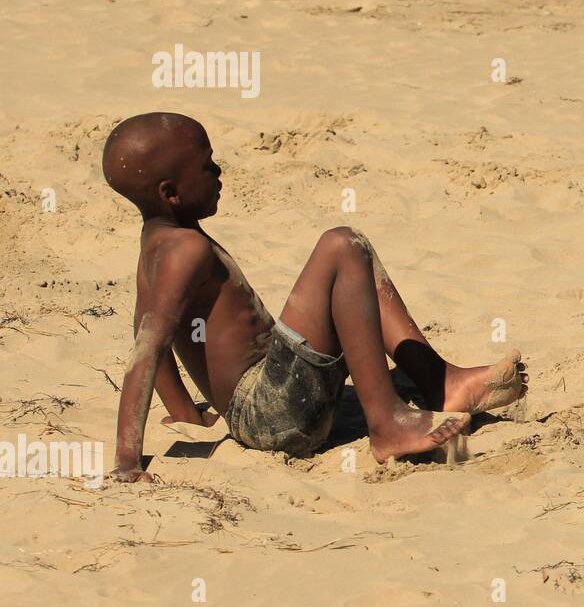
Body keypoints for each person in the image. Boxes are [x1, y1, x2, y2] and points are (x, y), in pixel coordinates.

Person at [102, 112, 526, 481]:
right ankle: (388, 424)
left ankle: (439, 381)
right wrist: (126, 458)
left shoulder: (155, 245)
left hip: (270, 401)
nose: (219, 172)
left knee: (347, 271)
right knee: (342, 246)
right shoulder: (186, 250)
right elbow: (148, 347)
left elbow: (148, 329)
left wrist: (186, 415)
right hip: (271, 412)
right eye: (207, 166)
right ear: (171, 192)